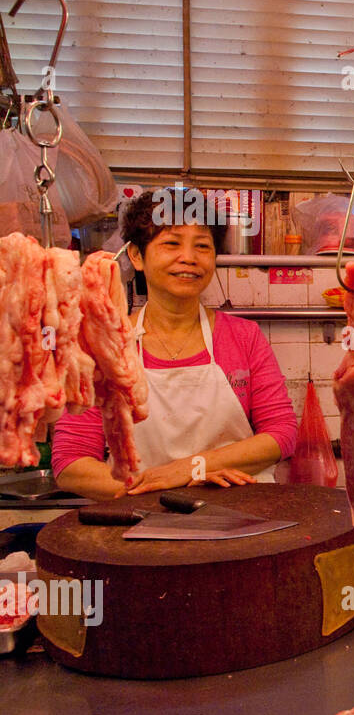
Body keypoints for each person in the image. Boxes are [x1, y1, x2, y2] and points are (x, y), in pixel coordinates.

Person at [53, 190, 297, 501]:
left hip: (239, 516)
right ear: (137, 256)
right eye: (171, 243)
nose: (189, 258)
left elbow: (281, 434)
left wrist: (190, 468)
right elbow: (70, 462)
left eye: (202, 246)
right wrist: (162, 488)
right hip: (140, 521)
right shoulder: (102, 345)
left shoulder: (244, 337)